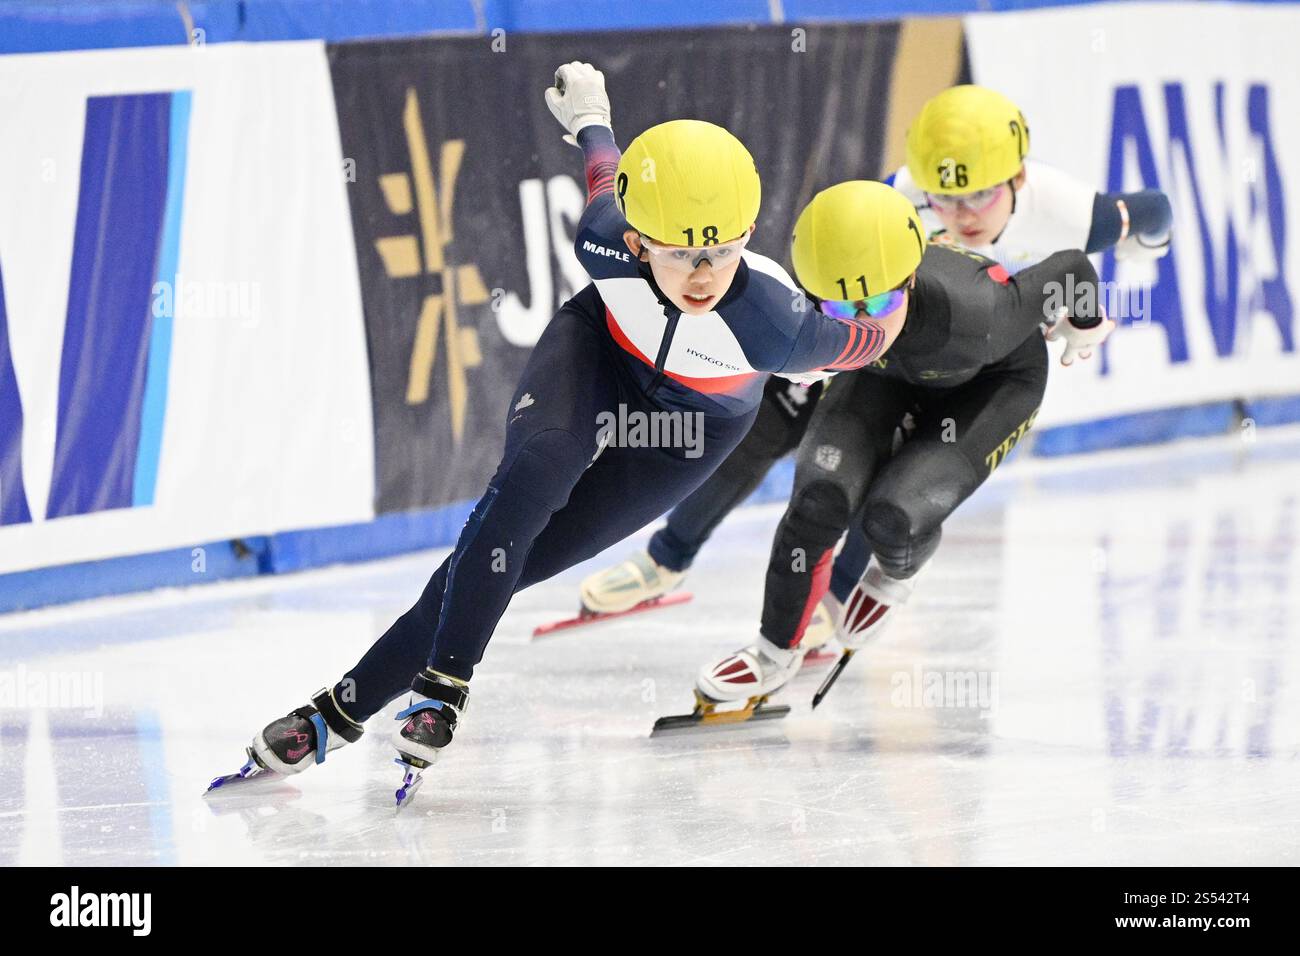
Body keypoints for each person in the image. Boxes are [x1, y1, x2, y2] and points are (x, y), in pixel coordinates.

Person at [214, 63, 913, 800]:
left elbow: (869, 342)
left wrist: (897, 293)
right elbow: (605, 176)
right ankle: (442, 689)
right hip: (599, 355)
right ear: (640, 243)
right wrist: (591, 116)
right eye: (681, 253)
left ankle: (337, 712)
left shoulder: (778, 327)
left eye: (724, 250)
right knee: (530, 479)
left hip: (694, 426)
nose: (705, 275)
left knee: (518, 563)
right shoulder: (605, 239)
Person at [579, 84, 1172, 650]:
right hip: (879, 330)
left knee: (893, 465)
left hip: (978, 343)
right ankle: (668, 558)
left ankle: (836, 599)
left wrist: (1144, 247)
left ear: (1019, 177)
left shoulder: (1071, 212)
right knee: (772, 424)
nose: (962, 213)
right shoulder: (900, 192)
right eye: (943, 197)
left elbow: (1154, 212)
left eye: (980, 195)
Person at [697, 179, 1115, 705]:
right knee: (816, 502)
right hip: (881, 376)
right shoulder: (812, 307)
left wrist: (1086, 325)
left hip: (992, 383)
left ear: (910, 278)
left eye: (877, 300)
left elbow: (1073, 267)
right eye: (842, 310)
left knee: (892, 518)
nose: (864, 322)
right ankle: (773, 652)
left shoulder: (980, 312)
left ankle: (900, 568)